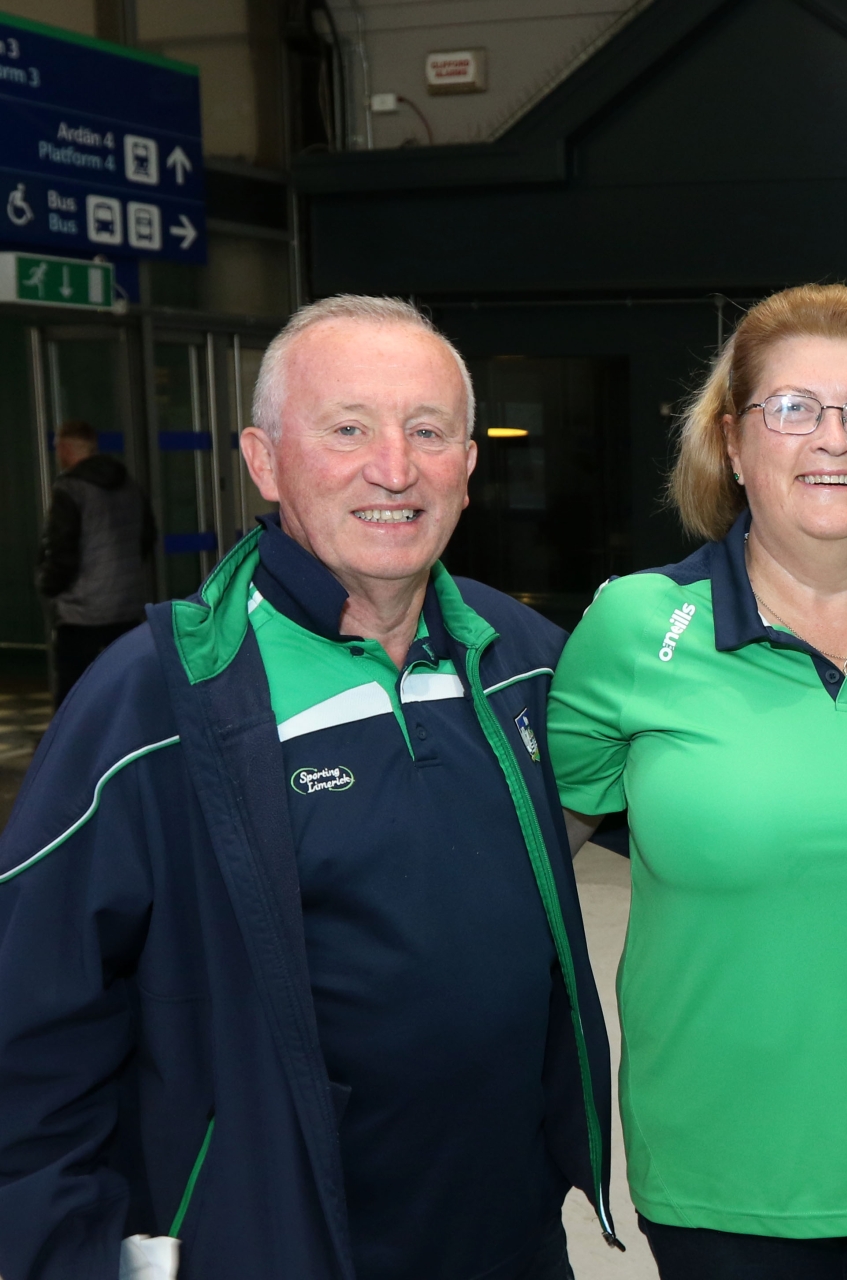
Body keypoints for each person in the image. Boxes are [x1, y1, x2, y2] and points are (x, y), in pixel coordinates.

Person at [0, 296, 620, 1280]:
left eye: (428, 431)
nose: (394, 466)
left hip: (509, 1235)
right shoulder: (156, 701)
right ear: (263, 459)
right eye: (347, 429)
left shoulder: (524, 662)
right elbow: (29, 1030)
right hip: (274, 1240)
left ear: (467, 465)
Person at [547, 284, 847, 1280]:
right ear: (732, 441)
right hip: (722, 1170)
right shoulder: (637, 627)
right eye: (793, 408)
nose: (833, 439)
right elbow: (543, 847)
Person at [37, 418, 156, 705]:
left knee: (73, 695)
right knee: (128, 690)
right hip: (126, 606)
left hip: (82, 612)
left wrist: (48, 584)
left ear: (66, 449)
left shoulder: (70, 489)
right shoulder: (128, 483)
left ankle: (72, 750)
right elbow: (147, 536)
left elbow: (62, 552)